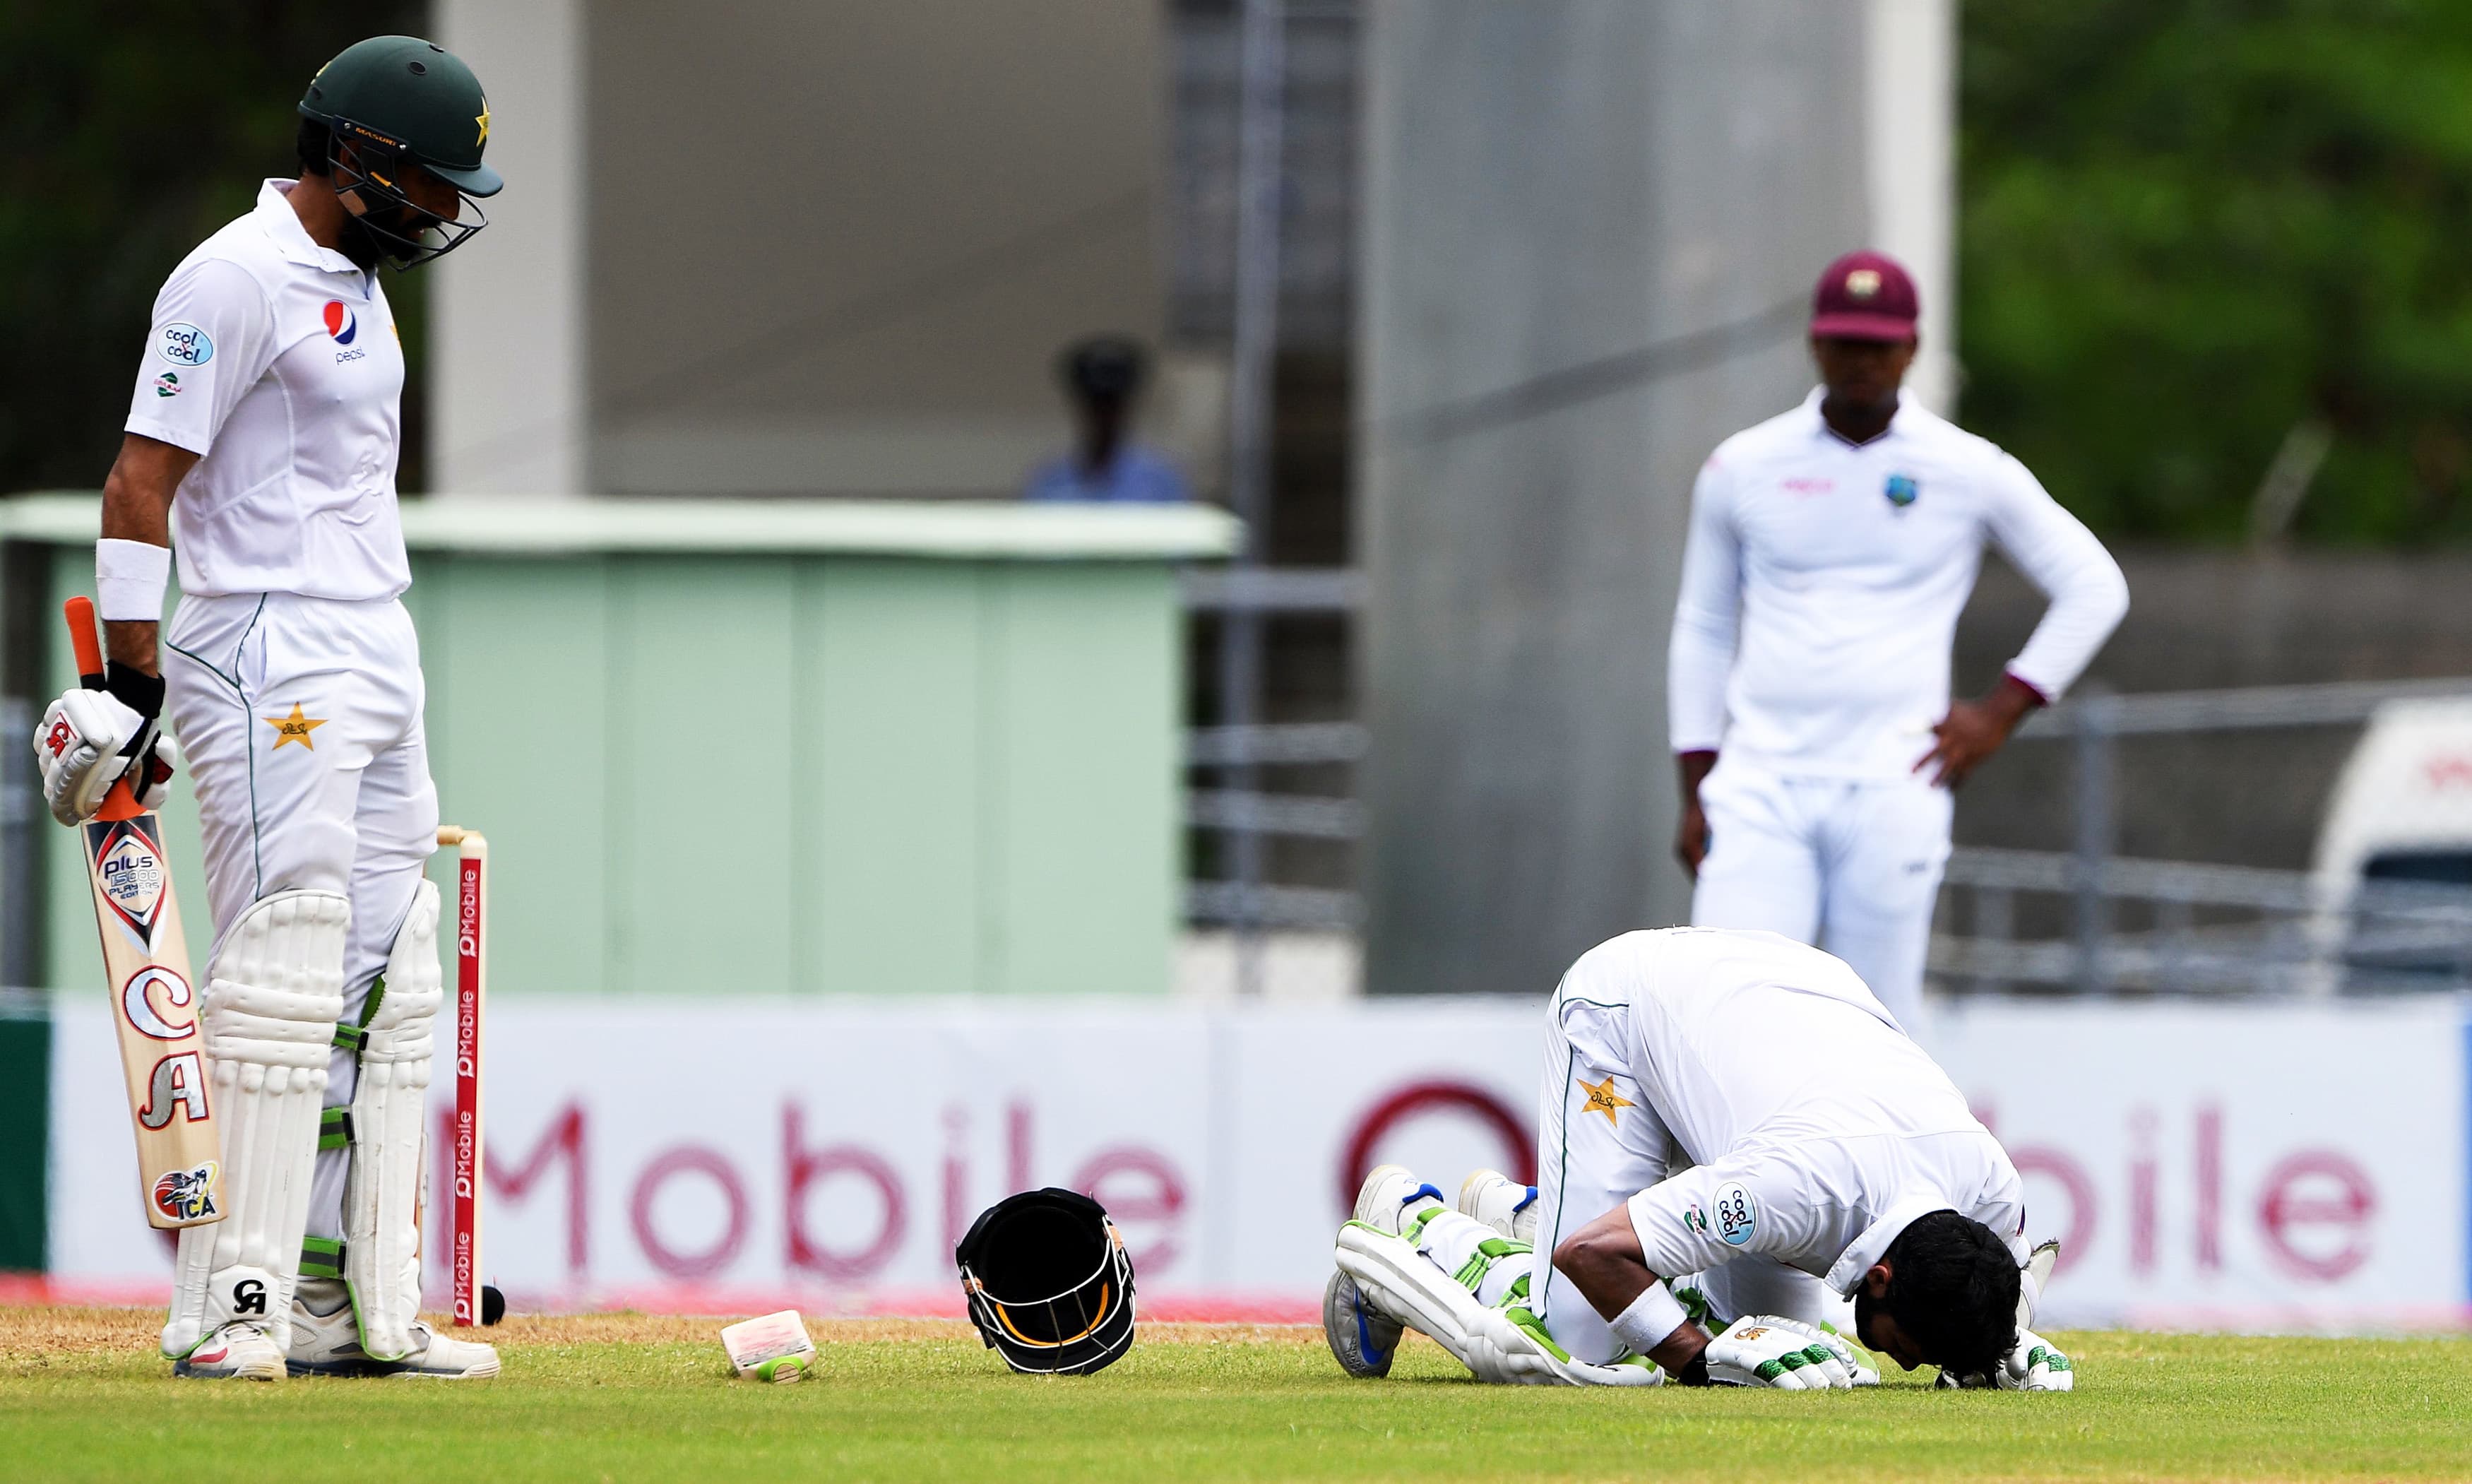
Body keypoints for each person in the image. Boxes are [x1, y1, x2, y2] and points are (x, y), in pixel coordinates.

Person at [33, 35, 504, 1381]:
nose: (443, 209)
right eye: (428, 180)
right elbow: (138, 481)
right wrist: (130, 678)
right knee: (280, 968)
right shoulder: (231, 277)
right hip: (262, 640)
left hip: (372, 637)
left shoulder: (354, 276)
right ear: (354, 161)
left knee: (378, 977)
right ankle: (224, 1307)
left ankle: (347, 1303)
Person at [1667, 251, 2129, 1031]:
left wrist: (1998, 714)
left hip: (1892, 778)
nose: (1861, 361)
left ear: (1911, 348)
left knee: (1873, 1029)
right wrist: (1695, 782)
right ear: (1814, 344)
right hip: (1759, 781)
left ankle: (1865, 1159)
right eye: (1845, 342)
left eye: (1879, 345)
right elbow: (1703, 626)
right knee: (1727, 1016)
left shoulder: (1967, 468)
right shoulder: (1741, 466)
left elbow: (2093, 586)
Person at [1321, 927, 2072, 1390]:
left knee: (1778, 1348)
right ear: (1878, 1276)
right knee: (1577, 1349)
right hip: (1630, 1006)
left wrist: (1996, 1345)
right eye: (1910, 1350)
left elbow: (2000, 1286)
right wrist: (1695, 1361)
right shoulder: (1790, 1190)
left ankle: (1524, 1217)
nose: (1908, 1369)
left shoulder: (1991, 1193)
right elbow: (1590, 1252)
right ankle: (1412, 1227)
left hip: (1784, 998)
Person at [1021, 336, 1193, 504]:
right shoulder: (1050, 482)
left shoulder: (1160, 484)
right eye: (1096, 404)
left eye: (1111, 404)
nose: (1104, 415)